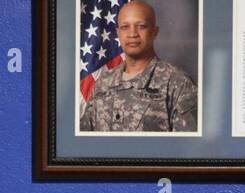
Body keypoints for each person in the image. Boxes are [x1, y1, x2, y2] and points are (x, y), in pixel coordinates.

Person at [79, 1, 197, 133]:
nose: (132, 34)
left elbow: (185, 148)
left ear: (154, 32)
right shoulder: (103, 82)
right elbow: (84, 142)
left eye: (141, 26)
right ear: (118, 33)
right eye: (125, 27)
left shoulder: (178, 85)